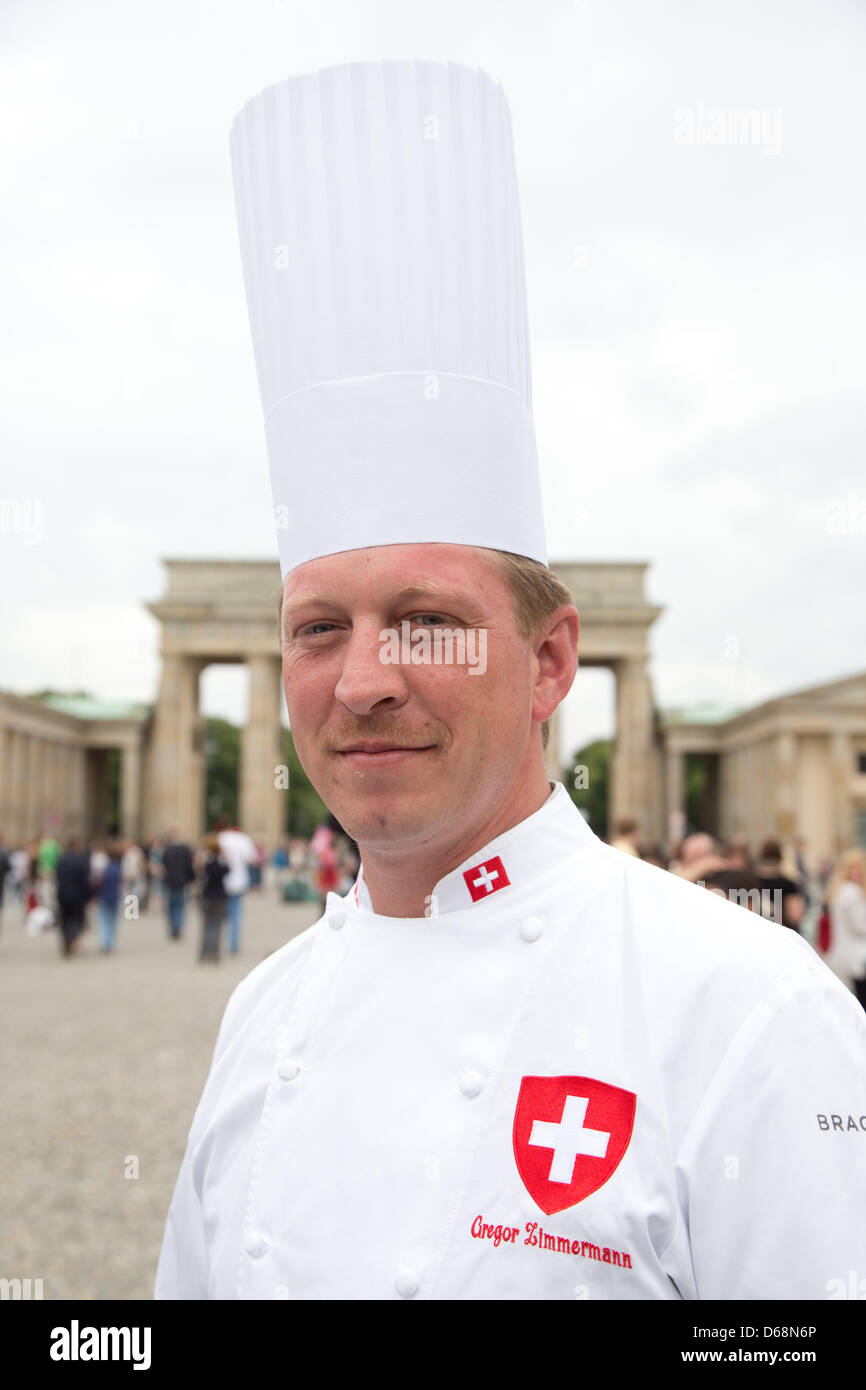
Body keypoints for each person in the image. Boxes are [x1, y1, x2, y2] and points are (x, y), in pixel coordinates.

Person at [155, 60, 866, 1301]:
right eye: (319, 629)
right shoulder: (263, 1013)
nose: (364, 679)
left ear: (549, 660)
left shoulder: (749, 1012)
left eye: (425, 620)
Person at [823, 849, 866, 1007]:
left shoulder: (839, 891)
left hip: (843, 955)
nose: (857, 872)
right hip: (857, 958)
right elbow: (860, 926)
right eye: (852, 868)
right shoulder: (852, 892)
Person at [216, 822, 257, 954]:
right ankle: (233, 944)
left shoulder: (221, 838)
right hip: (239, 880)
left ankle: (218, 941)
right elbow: (252, 859)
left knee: (221, 913)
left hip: (222, 880)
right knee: (235, 913)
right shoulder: (244, 839)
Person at [54, 836, 92, 957]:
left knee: (64, 919)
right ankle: (72, 938)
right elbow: (86, 881)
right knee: (77, 919)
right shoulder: (82, 862)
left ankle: (66, 940)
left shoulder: (61, 860)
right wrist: (88, 896)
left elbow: (57, 877)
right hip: (78, 896)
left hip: (63, 894)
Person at [195, 834, 229, 963]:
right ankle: (214, 953)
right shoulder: (221, 863)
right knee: (217, 926)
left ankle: (204, 953)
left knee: (206, 926)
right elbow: (228, 870)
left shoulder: (204, 863)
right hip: (220, 896)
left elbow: (197, 872)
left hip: (207, 896)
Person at [160, 828, 196, 940]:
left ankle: (173, 928)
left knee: (171, 906)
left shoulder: (167, 850)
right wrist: (191, 879)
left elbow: (164, 865)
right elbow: (189, 866)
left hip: (170, 881)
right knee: (180, 906)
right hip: (182, 881)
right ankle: (178, 926)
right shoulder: (185, 849)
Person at [96, 838, 125, 952]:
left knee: (104, 920)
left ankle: (105, 941)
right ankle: (110, 941)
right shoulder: (119, 868)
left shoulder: (105, 868)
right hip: (115, 897)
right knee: (112, 921)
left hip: (104, 896)